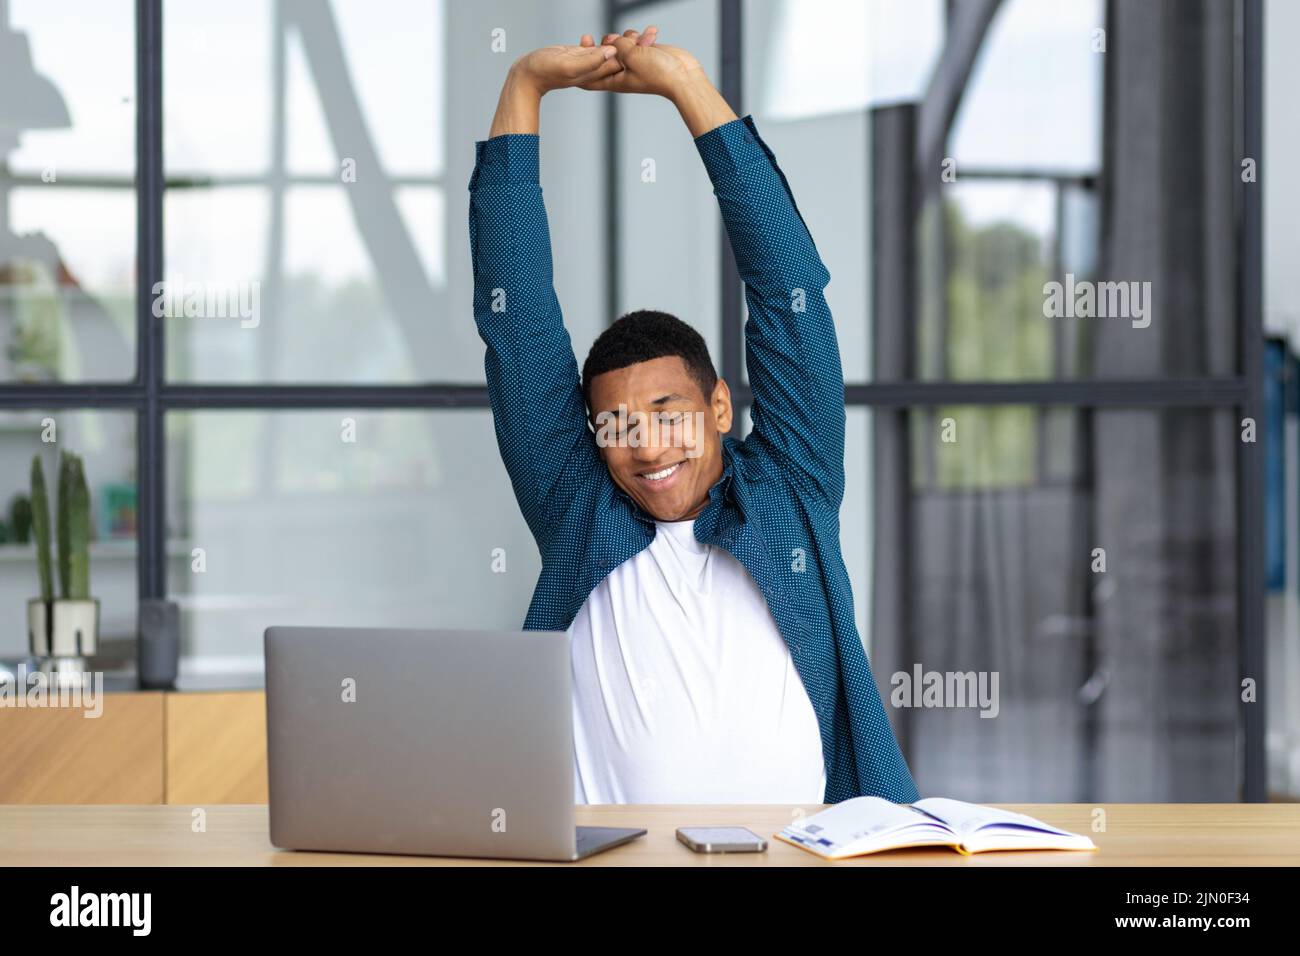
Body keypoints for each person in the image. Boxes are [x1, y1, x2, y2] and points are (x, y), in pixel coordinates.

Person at [468, 26, 918, 805]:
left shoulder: (790, 489)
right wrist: (524, 86)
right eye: (616, 425)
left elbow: (788, 293)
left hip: (805, 856)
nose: (646, 446)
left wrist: (688, 88)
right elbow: (519, 320)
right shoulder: (578, 507)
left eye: (669, 413)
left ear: (718, 406)